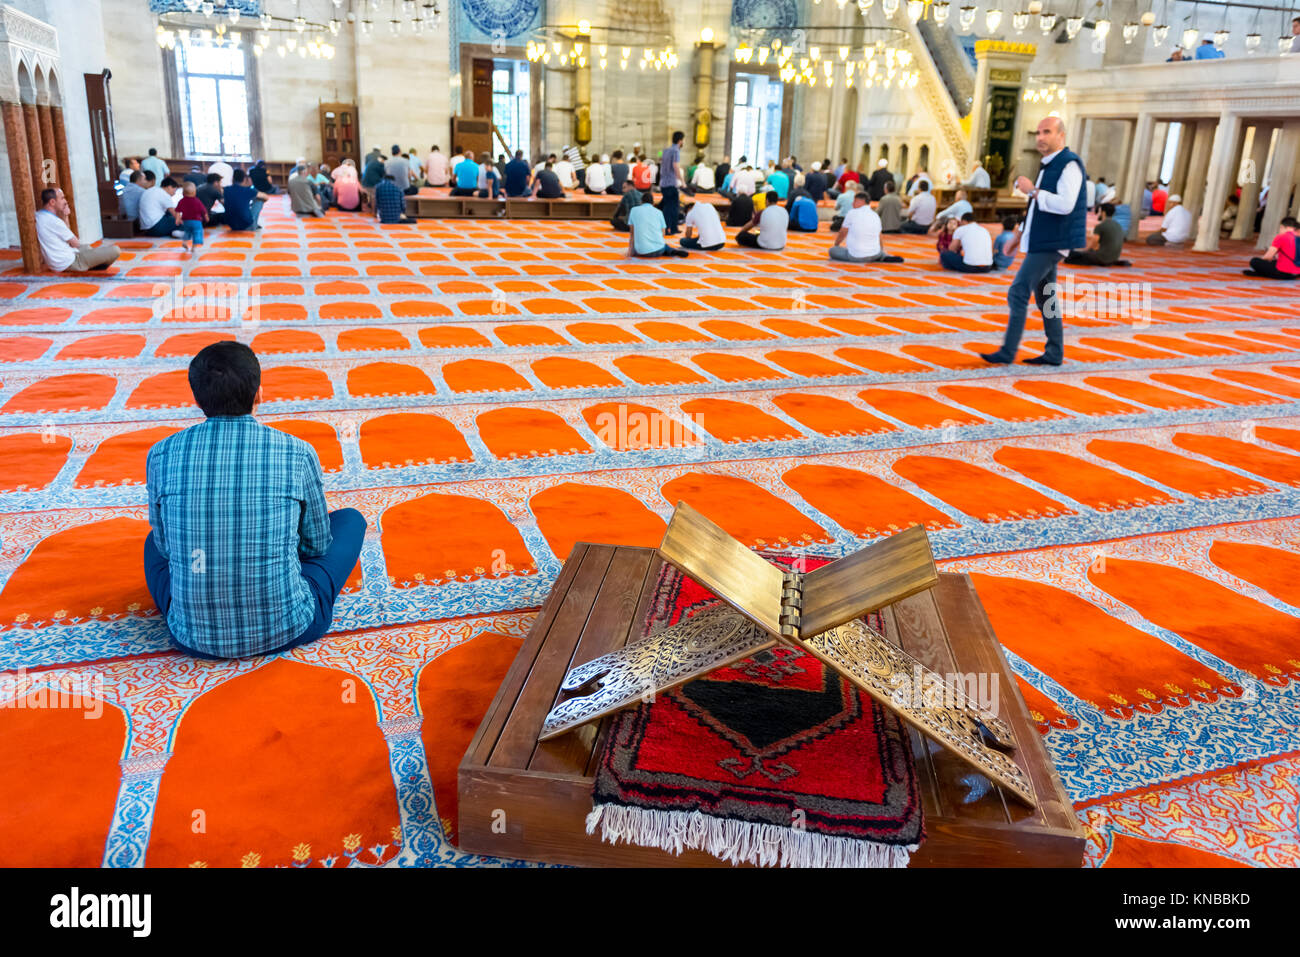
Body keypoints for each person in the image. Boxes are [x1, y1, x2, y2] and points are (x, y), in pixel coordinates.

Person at [144, 341, 367, 660]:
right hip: (292, 626)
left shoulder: (162, 453)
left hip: (192, 637)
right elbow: (316, 546)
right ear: (259, 393)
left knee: (153, 541)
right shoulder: (296, 452)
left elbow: (166, 550)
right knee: (351, 520)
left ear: (197, 399)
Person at [981, 115, 1087, 367]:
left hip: (1051, 242)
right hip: (1042, 239)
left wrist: (1031, 190)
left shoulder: (1069, 165)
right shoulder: (1049, 164)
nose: (1040, 137)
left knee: (1018, 292)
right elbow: (1036, 208)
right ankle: (1054, 352)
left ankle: (1007, 352)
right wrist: (1018, 236)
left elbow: (1065, 205)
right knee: (1046, 298)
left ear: (1061, 135)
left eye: (1047, 132)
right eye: (1038, 132)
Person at [35, 187, 120, 272]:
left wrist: (65, 216)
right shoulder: (54, 221)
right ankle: (92, 268)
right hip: (71, 262)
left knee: (86, 247)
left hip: (60, 261)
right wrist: (65, 216)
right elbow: (76, 244)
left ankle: (91, 263)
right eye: (62, 198)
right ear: (52, 202)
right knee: (115, 250)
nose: (65, 201)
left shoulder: (39, 215)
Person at [830, 191, 903, 263]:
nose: (852, 204)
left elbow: (843, 232)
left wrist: (836, 245)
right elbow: (879, 236)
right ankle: (882, 256)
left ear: (861, 202)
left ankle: (879, 256)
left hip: (856, 256)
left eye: (855, 201)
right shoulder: (875, 215)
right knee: (877, 252)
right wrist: (880, 250)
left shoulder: (852, 213)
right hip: (875, 254)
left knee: (832, 250)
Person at [627, 193, 687, 257]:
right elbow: (663, 233)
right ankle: (671, 251)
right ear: (653, 203)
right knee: (663, 246)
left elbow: (632, 233)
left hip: (641, 252)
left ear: (641, 201)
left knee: (645, 246)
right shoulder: (659, 212)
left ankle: (668, 250)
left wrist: (630, 251)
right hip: (659, 250)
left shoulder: (634, 210)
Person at [660, 130, 685, 234]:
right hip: (670, 183)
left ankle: (669, 228)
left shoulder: (665, 150)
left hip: (663, 183)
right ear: (680, 141)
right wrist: (682, 181)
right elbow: (675, 166)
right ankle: (670, 229)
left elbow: (661, 162)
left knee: (668, 206)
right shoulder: (676, 151)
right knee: (672, 207)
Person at [174, 181, 208, 252]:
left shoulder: (181, 201)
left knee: (187, 231)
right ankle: (193, 247)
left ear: (183, 193)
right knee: (197, 232)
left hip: (186, 221)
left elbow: (177, 211)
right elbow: (203, 210)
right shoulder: (197, 201)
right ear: (195, 193)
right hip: (196, 221)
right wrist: (206, 217)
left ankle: (185, 242)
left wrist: (177, 219)